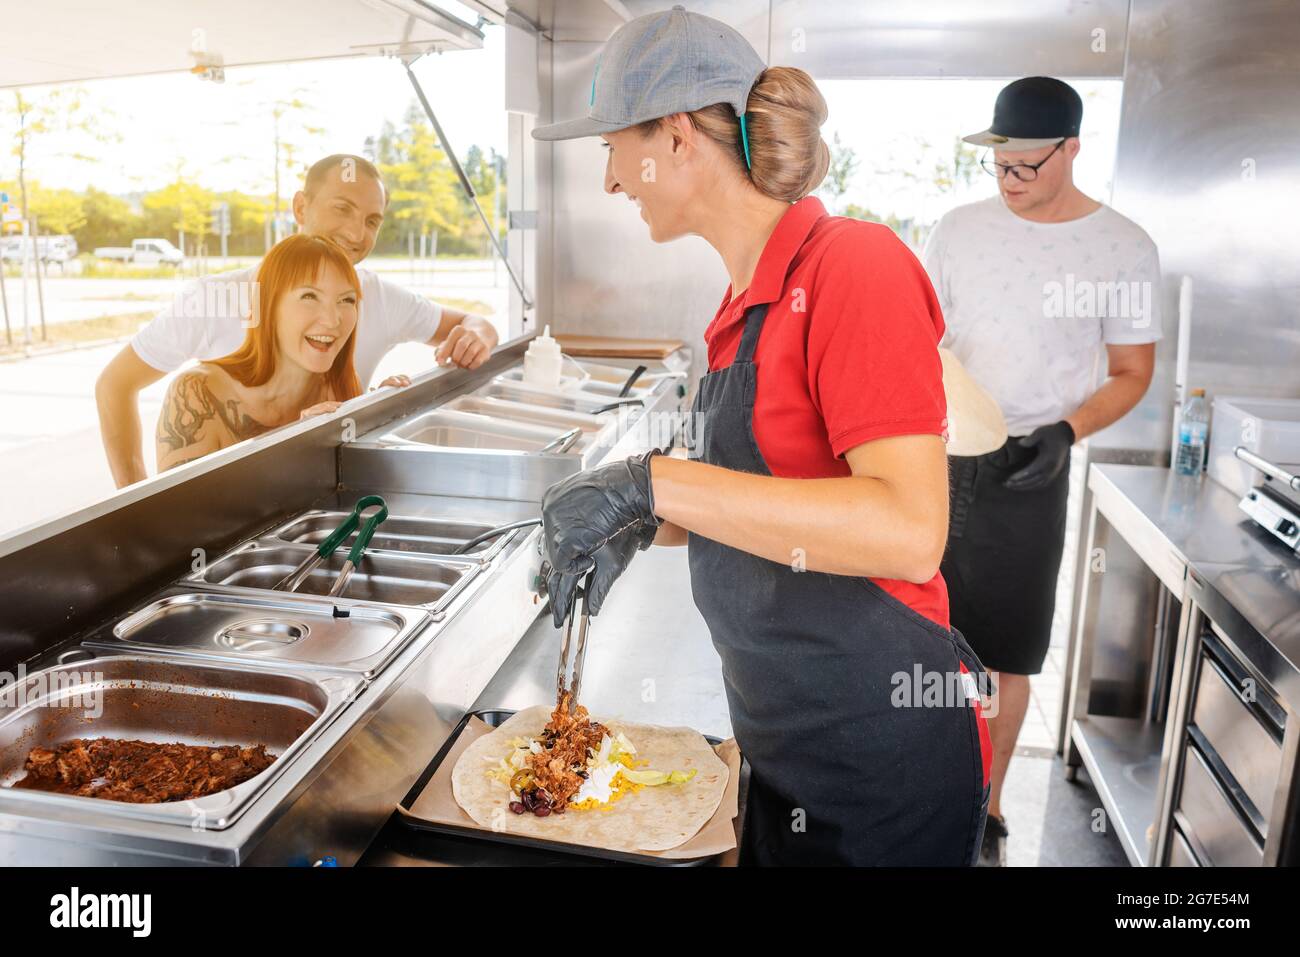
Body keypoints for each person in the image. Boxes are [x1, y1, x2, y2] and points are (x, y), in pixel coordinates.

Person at [533, 6, 991, 866]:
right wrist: (640, 522)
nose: (607, 183)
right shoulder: (738, 311)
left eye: (610, 147)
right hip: (782, 742)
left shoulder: (853, 265)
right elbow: (772, 495)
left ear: (675, 137)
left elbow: (908, 530)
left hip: (880, 757)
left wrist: (650, 482)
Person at [922, 77, 1161, 865]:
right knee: (917, 638)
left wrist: (1066, 431)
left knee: (1005, 650)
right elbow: (925, 340)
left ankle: (984, 806)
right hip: (939, 456)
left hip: (1032, 463)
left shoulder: (1123, 246)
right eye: (1001, 167)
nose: (1012, 182)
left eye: (1028, 167)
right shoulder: (959, 229)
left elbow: (1131, 371)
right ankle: (917, 785)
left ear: (1072, 150)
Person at [97, 153, 499, 486]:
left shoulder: (377, 296)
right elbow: (115, 385)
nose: (356, 233)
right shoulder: (212, 301)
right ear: (301, 207)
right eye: (342, 208)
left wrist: (377, 411)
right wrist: (133, 503)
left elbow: (472, 323)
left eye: (372, 220)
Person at [155, 234, 366, 471]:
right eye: (309, 296)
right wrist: (298, 445)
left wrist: (384, 413)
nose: (331, 320)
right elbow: (178, 508)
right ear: (267, 305)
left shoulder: (339, 387)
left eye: (347, 300)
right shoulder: (195, 393)